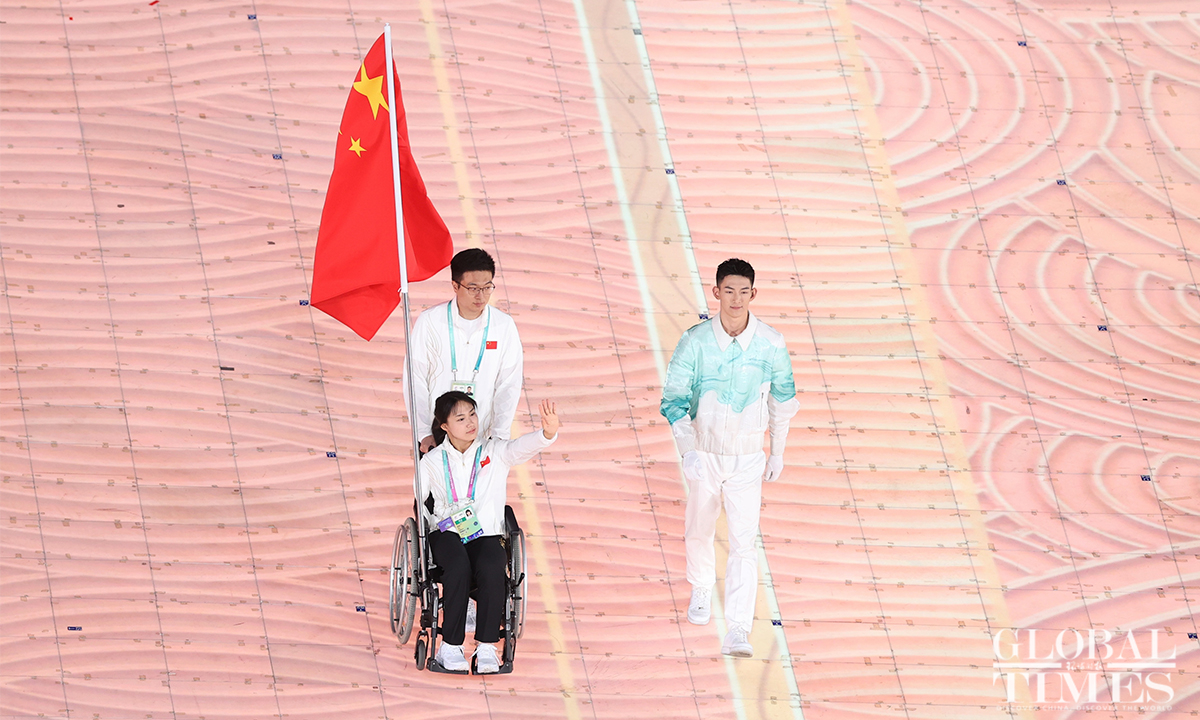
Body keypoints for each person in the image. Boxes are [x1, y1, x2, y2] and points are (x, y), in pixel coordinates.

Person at [660, 258, 799, 658]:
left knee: (743, 542)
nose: (736, 299)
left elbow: (783, 399)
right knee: (699, 529)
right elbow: (673, 399)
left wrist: (778, 451)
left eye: (744, 291)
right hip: (705, 451)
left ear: (753, 294)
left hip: (747, 457)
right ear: (716, 291)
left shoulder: (771, 343)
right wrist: (688, 450)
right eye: (729, 290)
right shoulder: (695, 341)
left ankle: (738, 629)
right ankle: (701, 586)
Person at [420, 391, 560, 673]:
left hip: (483, 533)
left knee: (493, 563)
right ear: (444, 426)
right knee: (457, 565)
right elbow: (421, 505)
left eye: (473, 414)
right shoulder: (432, 462)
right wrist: (435, 526)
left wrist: (547, 433)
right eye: (461, 418)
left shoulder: (493, 452)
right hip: (447, 533)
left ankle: (486, 647)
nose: (471, 422)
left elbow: (520, 447)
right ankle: (451, 646)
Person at [405, 248, 524, 455]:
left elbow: (509, 384)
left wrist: (499, 435)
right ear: (455, 285)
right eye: (473, 288)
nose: (481, 296)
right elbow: (415, 379)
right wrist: (423, 432)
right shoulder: (431, 322)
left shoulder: (503, 326)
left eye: (487, 287)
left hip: (483, 436)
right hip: (438, 432)